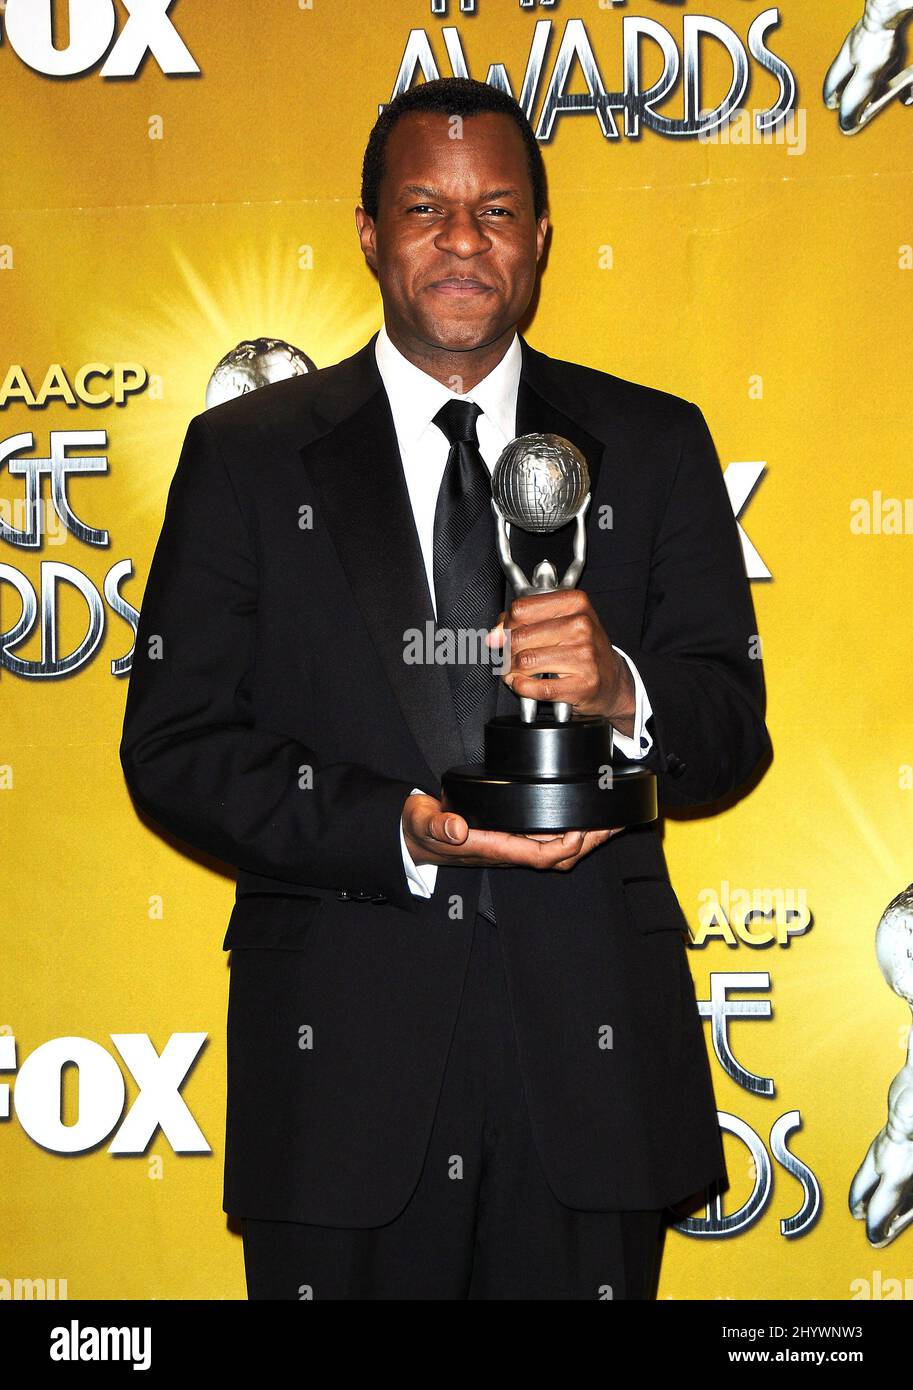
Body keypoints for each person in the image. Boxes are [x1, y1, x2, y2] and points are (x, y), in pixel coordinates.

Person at [119, 77, 771, 1300]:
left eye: (496, 210)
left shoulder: (656, 441)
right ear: (367, 231)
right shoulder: (250, 458)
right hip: (340, 1078)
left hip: (592, 1074)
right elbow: (176, 744)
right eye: (425, 206)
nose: (463, 240)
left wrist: (624, 690)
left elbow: (731, 732)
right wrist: (394, 829)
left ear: (538, 239)